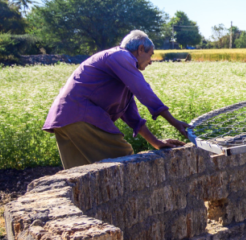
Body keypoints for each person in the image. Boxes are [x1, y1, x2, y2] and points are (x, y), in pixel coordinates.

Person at [43, 30, 190, 169]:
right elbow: (143, 90)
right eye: (150, 55)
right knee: (123, 158)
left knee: (80, 178)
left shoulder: (121, 72)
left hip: (63, 120)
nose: (151, 61)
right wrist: (174, 122)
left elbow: (133, 118)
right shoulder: (121, 56)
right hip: (81, 116)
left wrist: (156, 142)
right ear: (140, 49)